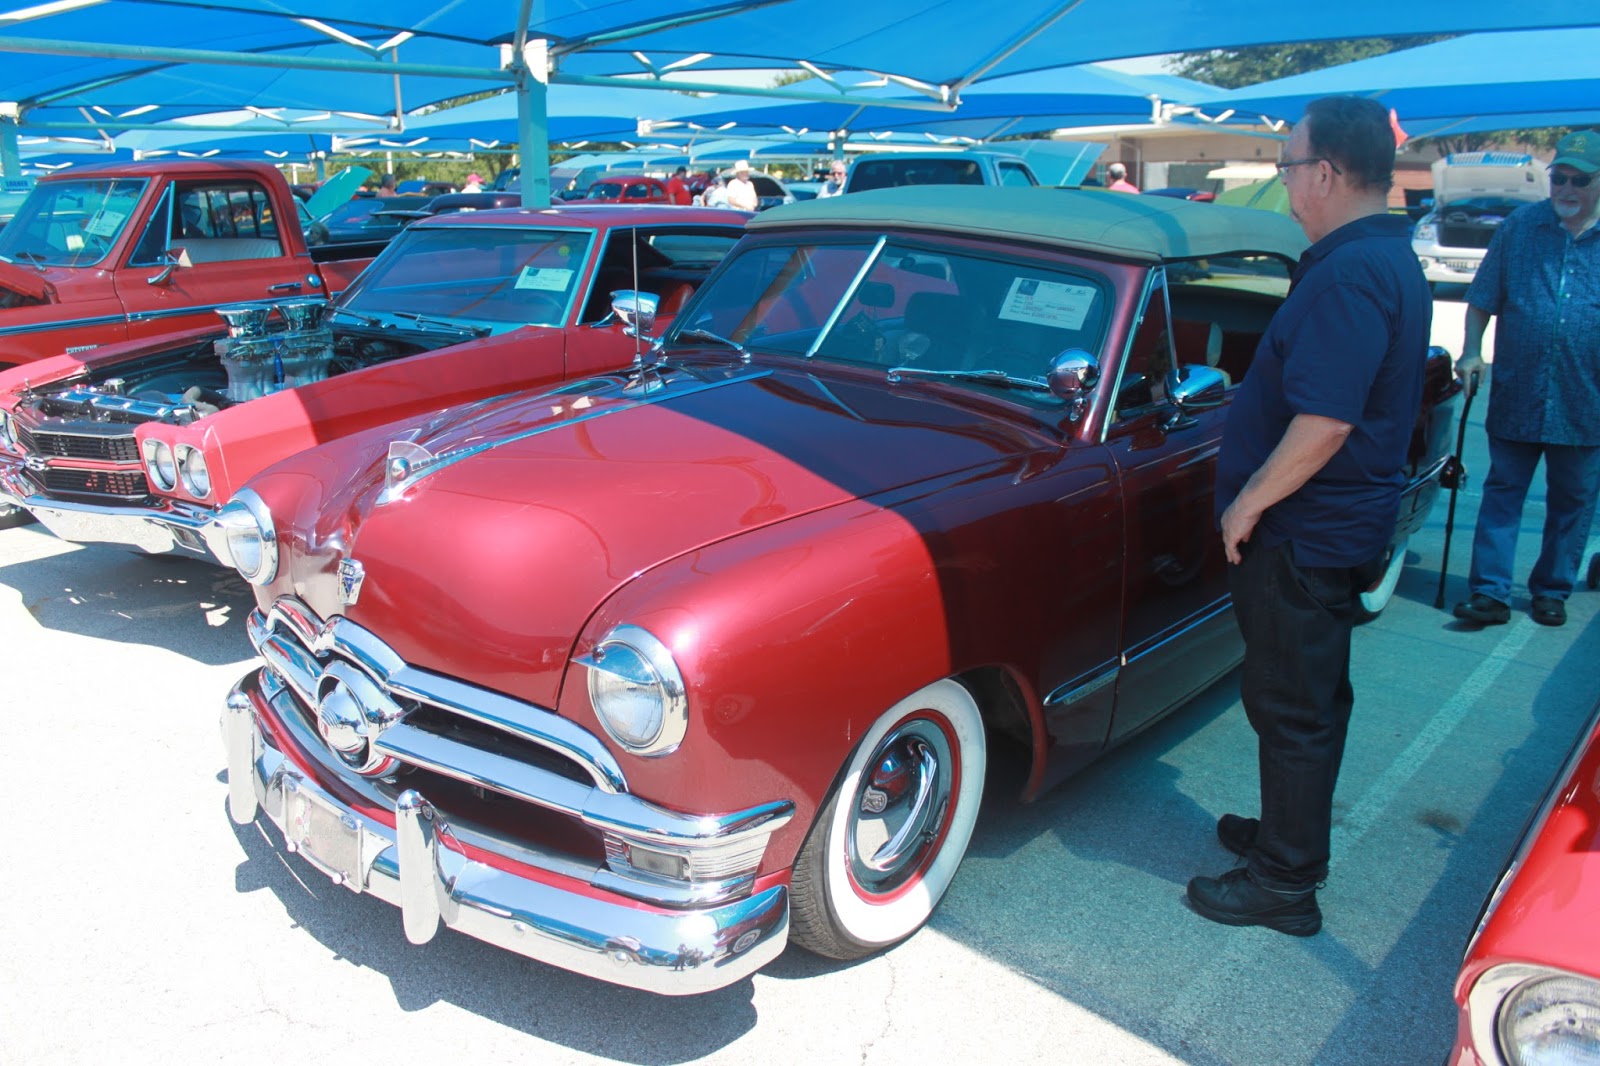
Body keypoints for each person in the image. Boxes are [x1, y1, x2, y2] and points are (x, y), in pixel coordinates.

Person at [1187, 96, 1431, 936]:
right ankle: (1285, 837)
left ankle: (1285, 883)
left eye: (1289, 165)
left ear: (1325, 172)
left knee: (1293, 706)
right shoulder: (1380, 257)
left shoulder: (1350, 271)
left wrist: (1248, 504)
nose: (1285, 180)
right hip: (1333, 526)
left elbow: (1324, 421)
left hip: (1304, 531)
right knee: (1309, 700)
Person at [1451, 130, 1600, 630]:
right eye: (1560, 177)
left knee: (1572, 502)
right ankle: (1489, 592)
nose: (1567, 188)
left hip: (1586, 400)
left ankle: (1552, 589)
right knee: (1503, 491)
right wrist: (1472, 351)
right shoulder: (1521, 227)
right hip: (1519, 389)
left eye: (1581, 180)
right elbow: (1483, 297)